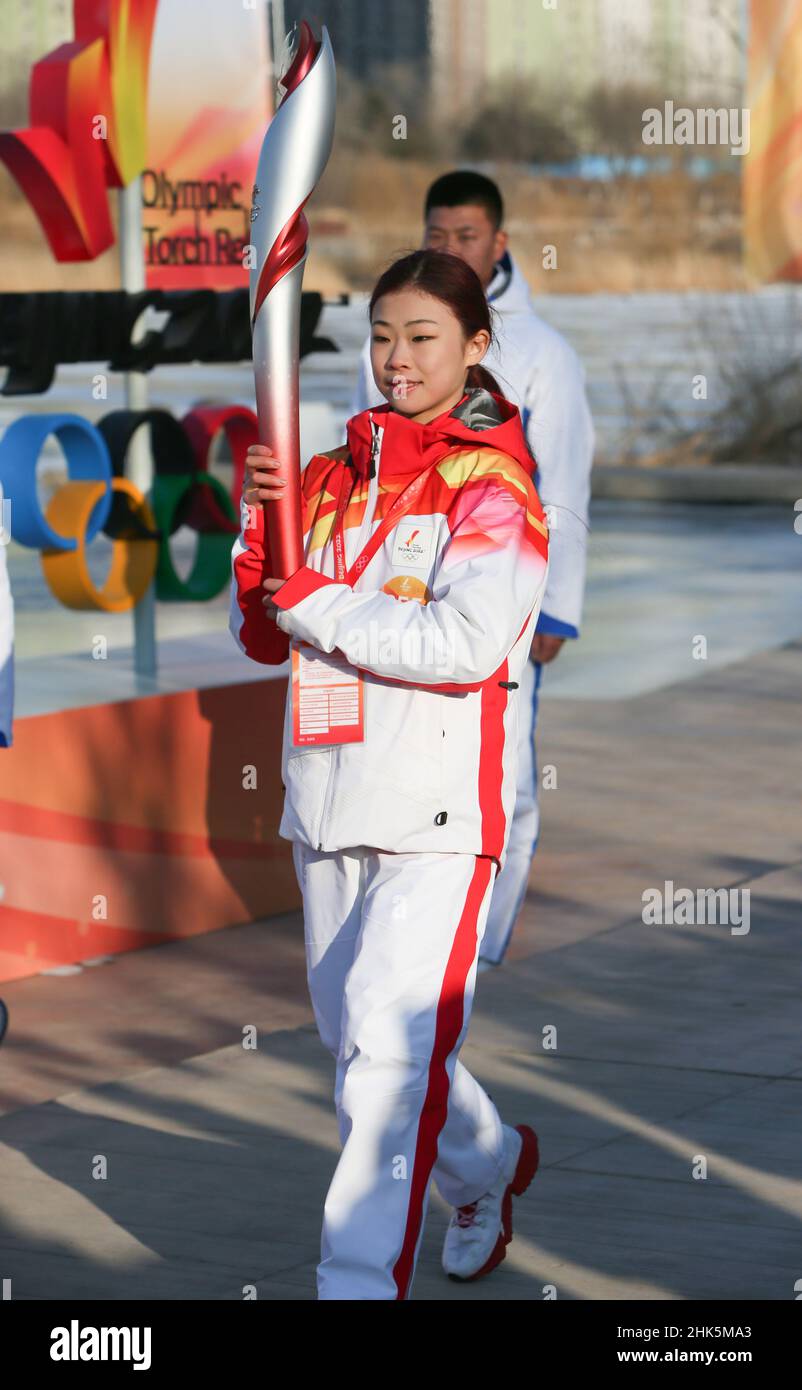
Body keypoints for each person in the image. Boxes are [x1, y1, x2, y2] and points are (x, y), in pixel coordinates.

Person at [229, 249, 549, 1300]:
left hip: (439, 813)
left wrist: (309, 594)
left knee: (382, 1061)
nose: (397, 358)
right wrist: (260, 534)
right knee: (361, 1043)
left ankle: (353, 1284)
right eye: (381, 335)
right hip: (325, 800)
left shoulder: (492, 485)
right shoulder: (326, 475)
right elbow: (264, 636)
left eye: (421, 337)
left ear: (474, 346)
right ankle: (489, 1167)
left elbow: (462, 642)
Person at [351, 171, 594, 965]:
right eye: (437, 235)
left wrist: (557, 605)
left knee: (510, 782)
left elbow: (563, 481)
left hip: (506, 595)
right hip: (406, 593)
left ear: (499, 244)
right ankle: (422, 941)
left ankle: (476, 952)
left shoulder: (542, 353)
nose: (450, 248)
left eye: (466, 237)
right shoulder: (394, 336)